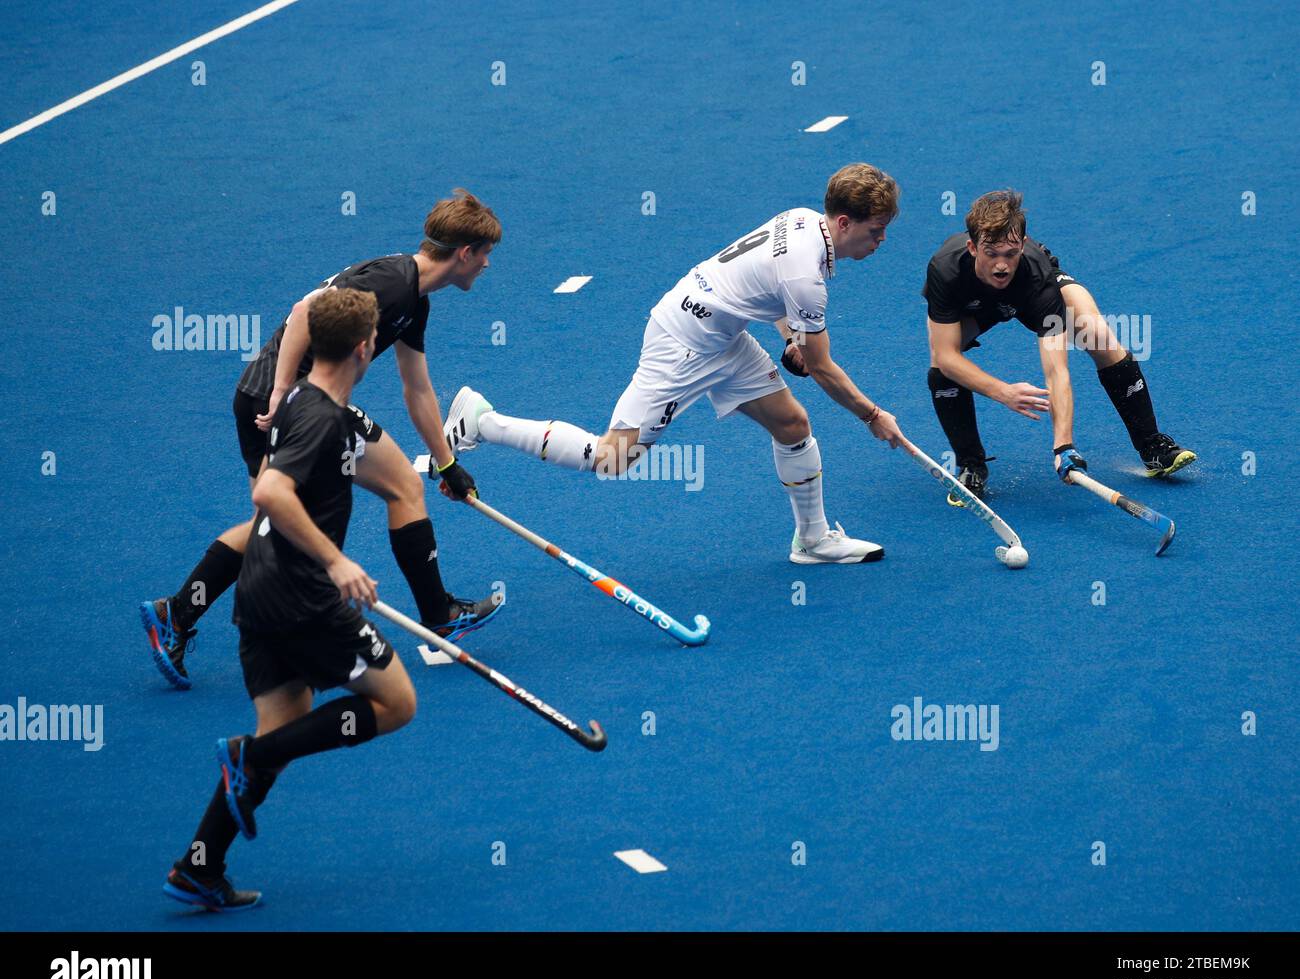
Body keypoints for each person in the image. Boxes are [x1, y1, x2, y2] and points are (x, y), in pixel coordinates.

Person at [443, 164, 906, 565]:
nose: (883, 239)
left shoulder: (804, 220)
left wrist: (789, 340)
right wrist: (872, 416)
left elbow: (773, 289)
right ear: (844, 222)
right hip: (682, 343)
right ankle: (484, 421)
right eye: (876, 230)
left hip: (722, 334)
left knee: (792, 423)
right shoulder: (808, 275)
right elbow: (823, 368)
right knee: (612, 458)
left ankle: (812, 539)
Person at [141, 190, 504, 690]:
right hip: (287, 406)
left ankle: (176, 613)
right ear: (464, 252)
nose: (487, 265)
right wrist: (285, 392)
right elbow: (301, 312)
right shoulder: (393, 284)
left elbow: (416, 387)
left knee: (278, 522)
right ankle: (436, 612)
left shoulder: (413, 299)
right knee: (390, 489)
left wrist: (447, 464)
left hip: (285, 402)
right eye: (485, 254)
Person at [165, 288, 417, 910]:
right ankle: (247, 756)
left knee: (285, 724)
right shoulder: (321, 417)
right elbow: (270, 493)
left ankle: (200, 864)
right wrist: (336, 561)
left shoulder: (299, 398)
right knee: (397, 703)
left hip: (259, 591)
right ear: (365, 349)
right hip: (303, 598)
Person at [922, 189, 1195, 504]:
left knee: (1098, 334)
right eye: (991, 254)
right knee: (942, 365)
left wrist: (1064, 446)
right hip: (973, 305)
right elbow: (946, 356)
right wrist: (1003, 392)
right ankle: (971, 466)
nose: (1001, 265)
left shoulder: (1037, 275)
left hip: (1030, 294)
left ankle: (1152, 447)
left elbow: (1056, 371)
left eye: (1010, 254)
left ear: (1023, 247)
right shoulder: (945, 270)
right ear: (972, 247)